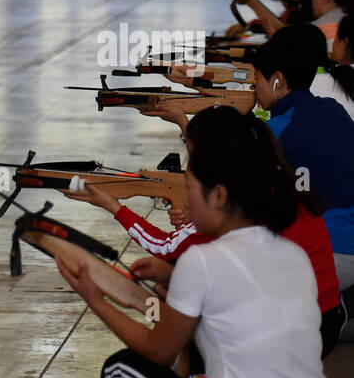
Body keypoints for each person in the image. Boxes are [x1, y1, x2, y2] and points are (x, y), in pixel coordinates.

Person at [56, 108, 331, 378]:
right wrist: (171, 275)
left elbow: (158, 352)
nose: (185, 203)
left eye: (191, 190)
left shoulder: (203, 261)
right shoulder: (288, 252)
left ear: (219, 195)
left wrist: (94, 298)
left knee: (121, 373)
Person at [62, 108, 344, 359]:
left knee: (132, 353)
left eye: (191, 183)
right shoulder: (271, 189)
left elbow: (158, 346)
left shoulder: (223, 236)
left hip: (290, 344)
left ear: (218, 193)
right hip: (320, 324)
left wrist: (97, 297)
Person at [250, 25, 354, 291]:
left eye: (256, 81)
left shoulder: (276, 131)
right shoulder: (333, 109)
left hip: (330, 251)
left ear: (278, 80)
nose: (253, 90)